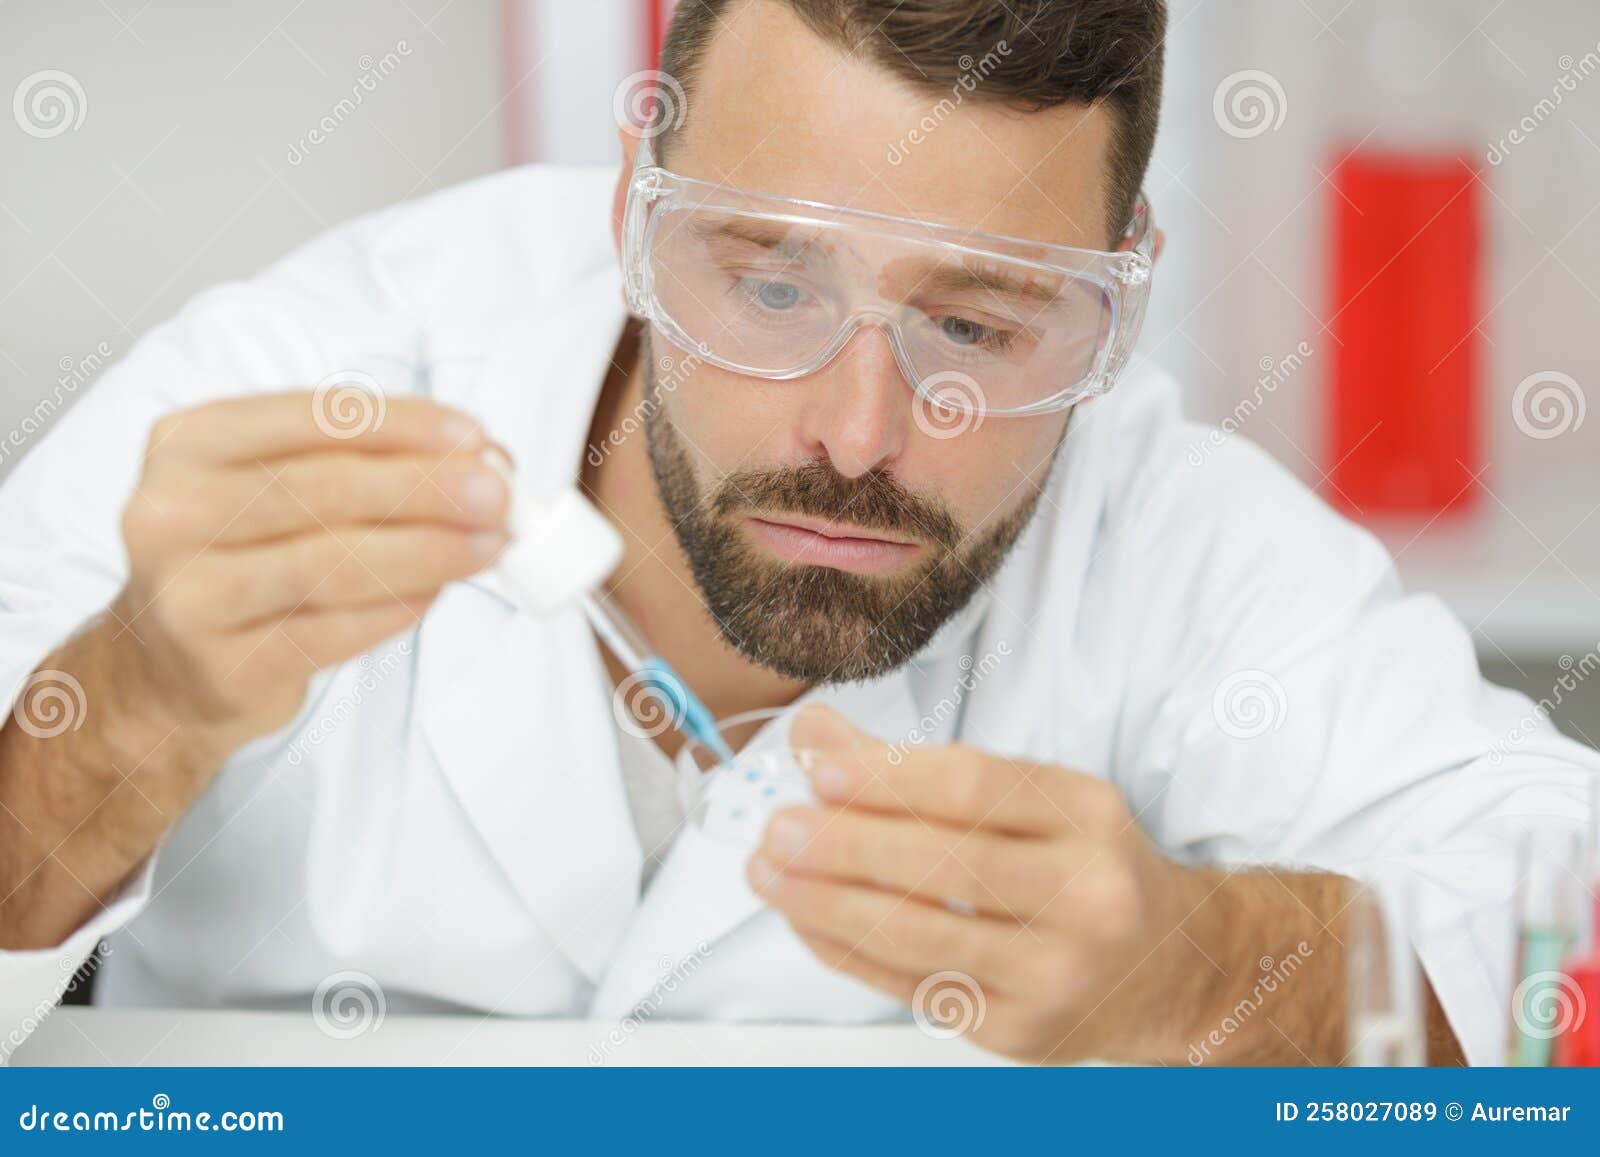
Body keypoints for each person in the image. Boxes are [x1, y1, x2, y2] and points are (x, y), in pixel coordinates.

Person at [0, 0, 1591, 1067]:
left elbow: (1562, 948)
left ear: (1122, 290)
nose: (859, 431)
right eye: (768, 284)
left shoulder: (1159, 531)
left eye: (980, 320)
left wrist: (1212, 967)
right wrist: (120, 715)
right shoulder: (314, 380)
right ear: (636, 206)